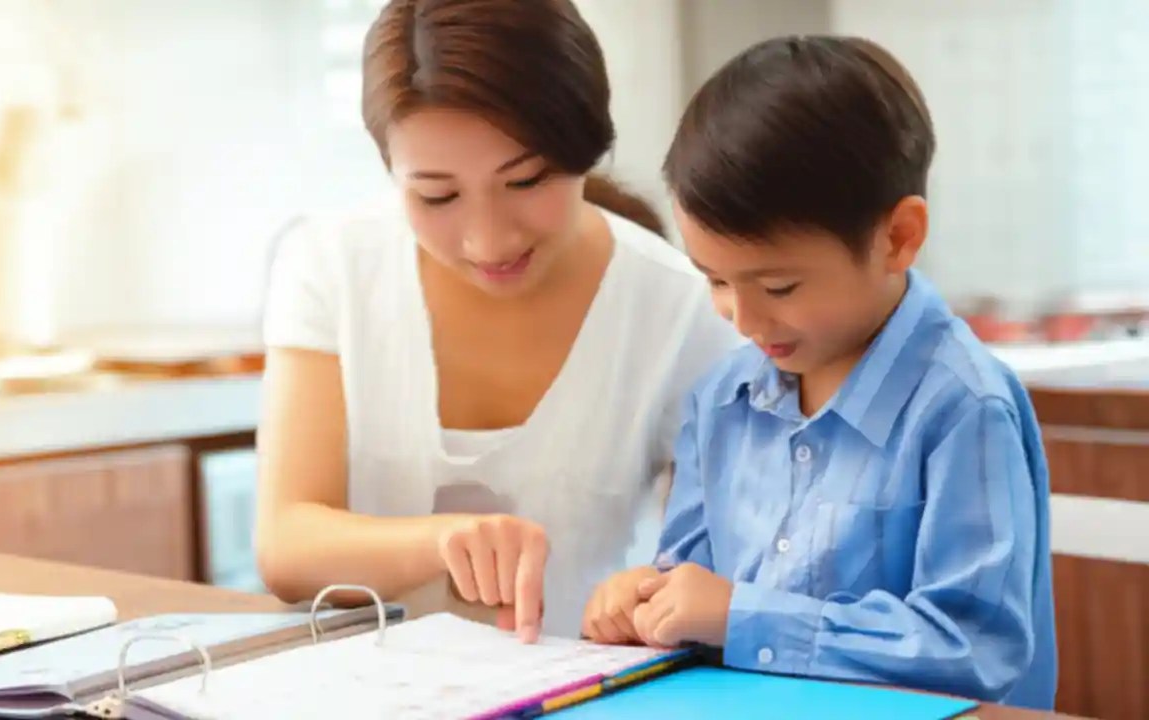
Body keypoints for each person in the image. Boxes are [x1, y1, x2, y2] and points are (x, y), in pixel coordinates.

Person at [583, 36, 1057, 709]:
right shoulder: (721, 401)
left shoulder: (963, 406)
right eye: (714, 280)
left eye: (778, 287)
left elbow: (974, 649)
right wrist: (642, 605)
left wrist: (741, 615)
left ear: (897, 238)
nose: (741, 318)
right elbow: (693, 591)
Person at [254, 0, 736, 642]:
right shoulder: (330, 264)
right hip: (358, 684)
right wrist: (444, 540)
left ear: (584, 145)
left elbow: (719, 562)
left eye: (527, 180)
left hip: (575, 687)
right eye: (437, 195)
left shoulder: (681, 307)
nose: (487, 242)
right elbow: (285, 544)